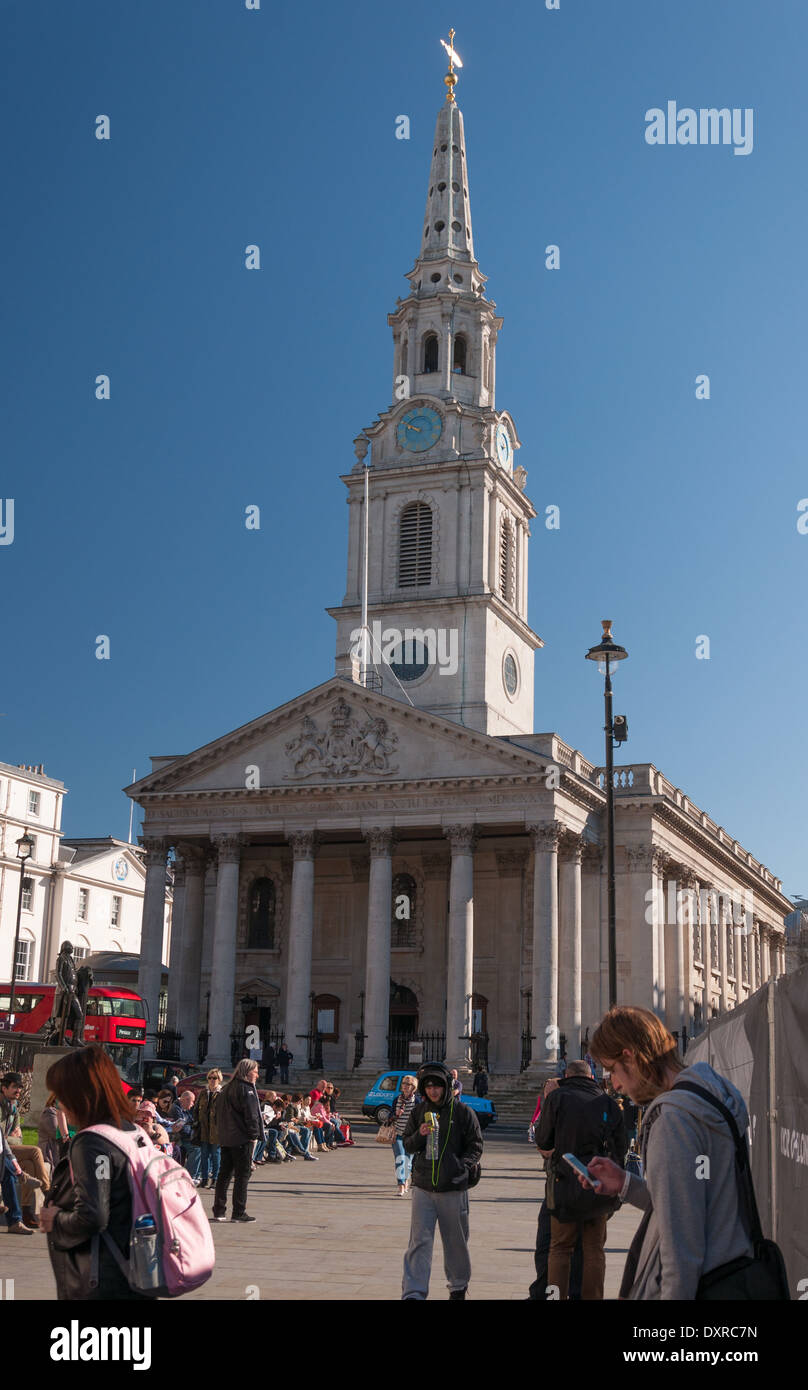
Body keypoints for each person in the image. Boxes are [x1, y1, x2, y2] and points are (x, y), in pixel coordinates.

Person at [584, 1005, 755, 1300]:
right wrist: (626, 1184)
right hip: (730, 1272)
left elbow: (681, 1251)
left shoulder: (673, 1120)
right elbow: (690, 1204)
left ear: (630, 1056)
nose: (614, 1083)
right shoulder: (713, 1094)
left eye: (612, 1070)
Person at [38, 1044, 157, 1300]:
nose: (60, 1104)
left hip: (100, 1279)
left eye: (62, 1095)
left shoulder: (91, 1142)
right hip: (137, 1270)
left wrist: (55, 1218)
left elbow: (93, 1216)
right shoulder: (132, 1132)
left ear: (81, 1095)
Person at [534, 1058, 626, 1300]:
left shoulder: (558, 1098)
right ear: (591, 1076)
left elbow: (543, 1140)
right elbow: (621, 1148)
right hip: (599, 1184)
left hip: (564, 1183)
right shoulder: (608, 1103)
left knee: (559, 1248)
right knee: (594, 1250)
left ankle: (555, 1297)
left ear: (567, 1075)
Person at [401, 1061, 483, 1301]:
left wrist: (462, 1166)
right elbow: (407, 1143)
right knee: (419, 1242)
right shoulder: (418, 1112)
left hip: (452, 1188)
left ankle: (458, 1287)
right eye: (428, 1086)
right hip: (423, 1187)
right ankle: (414, 1292)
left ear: (446, 1086)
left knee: (455, 1241)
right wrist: (420, 1134)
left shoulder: (462, 1112)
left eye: (437, 1086)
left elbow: (476, 1145)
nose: (433, 1091)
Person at [212, 1058, 263, 1223]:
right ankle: (239, 1212)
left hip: (226, 1137)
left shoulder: (226, 1088)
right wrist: (254, 1134)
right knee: (242, 1175)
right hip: (242, 1137)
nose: (257, 1075)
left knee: (224, 1174)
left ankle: (219, 1211)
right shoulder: (246, 1089)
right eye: (255, 1071)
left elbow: (217, 1113)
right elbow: (252, 1114)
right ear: (247, 1072)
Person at [1, 1071, 51, 1228]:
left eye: (20, 1088)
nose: (18, 1091)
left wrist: (10, 1138)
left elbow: (18, 1137)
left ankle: (25, 1211)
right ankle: (48, 1192)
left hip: (8, 1148)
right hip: (3, 1149)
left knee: (29, 1165)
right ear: (3, 1088)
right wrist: (10, 1138)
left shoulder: (13, 1107)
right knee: (35, 1151)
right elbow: (3, 1138)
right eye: (14, 1087)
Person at [391, 1075, 418, 1196]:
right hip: (397, 1134)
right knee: (400, 1159)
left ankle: (406, 1180)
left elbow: (420, 1117)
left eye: (408, 1084)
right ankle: (401, 1185)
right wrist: (395, 1114)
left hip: (411, 1136)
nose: (405, 1086)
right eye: (404, 1084)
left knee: (408, 1162)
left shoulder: (417, 1101)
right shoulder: (397, 1100)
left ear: (413, 1087)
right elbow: (389, 1117)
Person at [195, 1069, 222, 1188]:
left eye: (214, 1078)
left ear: (219, 1079)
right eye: (210, 1078)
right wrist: (196, 1122)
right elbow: (196, 1109)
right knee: (204, 1154)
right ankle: (204, 1179)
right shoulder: (203, 1093)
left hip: (217, 1130)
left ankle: (215, 1179)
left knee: (216, 1155)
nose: (212, 1080)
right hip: (204, 1128)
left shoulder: (222, 1094)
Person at [38, 1094, 70, 1173]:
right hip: (50, 1151)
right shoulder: (49, 1112)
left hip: (58, 1148)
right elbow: (56, 1133)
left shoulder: (64, 1114)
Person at [176, 1090, 202, 1182]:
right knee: (196, 1149)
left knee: (204, 1145)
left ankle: (197, 1175)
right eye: (192, 1101)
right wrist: (194, 1132)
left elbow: (191, 1122)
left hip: (187, 1136)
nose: (193, 1104)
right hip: (179, 1138)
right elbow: (182, 1128)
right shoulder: (176, 1109)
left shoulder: (186, 1109)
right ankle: (189, 1176)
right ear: (186, 1100)